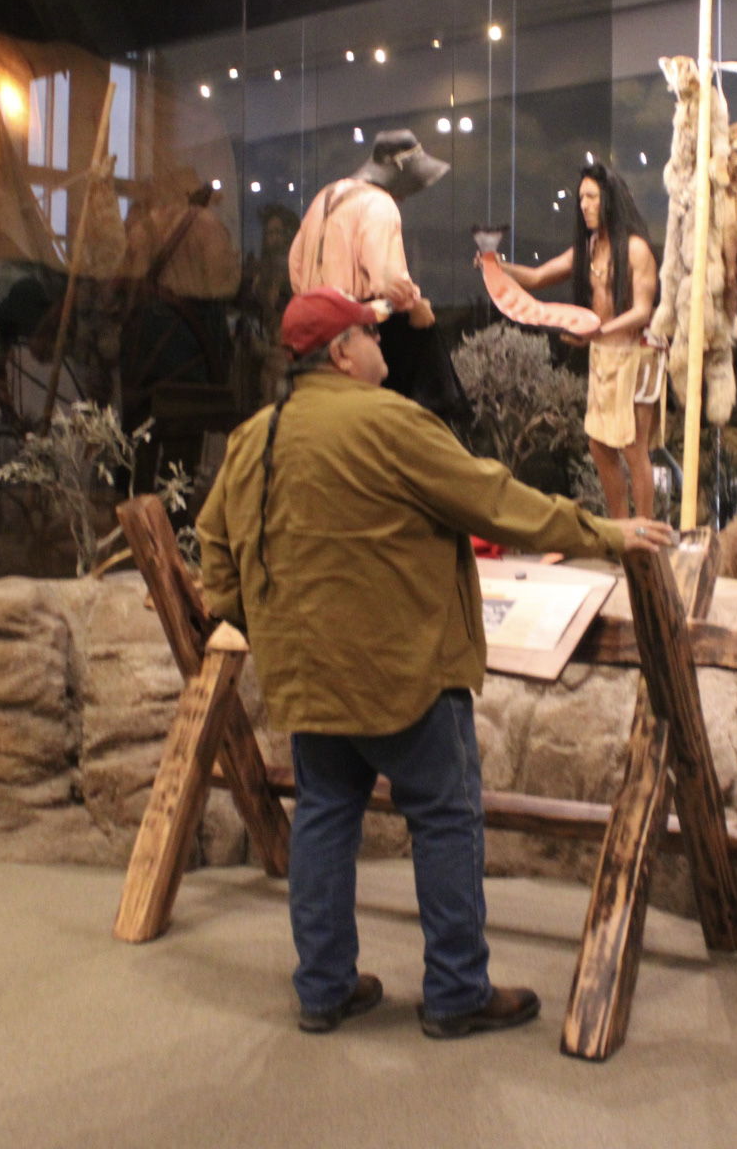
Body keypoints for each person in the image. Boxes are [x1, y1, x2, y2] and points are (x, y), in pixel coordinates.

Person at [196, 288, 674, 1038]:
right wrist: (608, 534)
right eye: (368, 330)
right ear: (340, 352)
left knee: (324, 818)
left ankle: (323, 988)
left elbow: (214, 541)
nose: (381, 341)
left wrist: (252, 613)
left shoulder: (256, 435)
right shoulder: (390, 423)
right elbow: (493, 500)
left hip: (308, 676)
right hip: (403, 673)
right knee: (446, 819)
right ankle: (455, 991)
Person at [496, 160, 664, 518]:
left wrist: (597, 331)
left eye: (592, 196)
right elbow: (539, 276)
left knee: (634, 448)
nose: (585, 204)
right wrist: (495, 265)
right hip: (603, 357)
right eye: (581, 198)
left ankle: (645, 531)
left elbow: (643, 311)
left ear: (610, 200)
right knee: (601, 447)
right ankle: (619, 529)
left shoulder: (636, 250)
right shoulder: (588, 249)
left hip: (635, 357)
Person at [290, 130, 467, 420]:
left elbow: (296, 266)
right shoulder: (378, 204)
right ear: (400, 172)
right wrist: (416, 307)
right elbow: (389, 284)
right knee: (429, 352)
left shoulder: (323, 197)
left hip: (315, 332)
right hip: (359, 328)